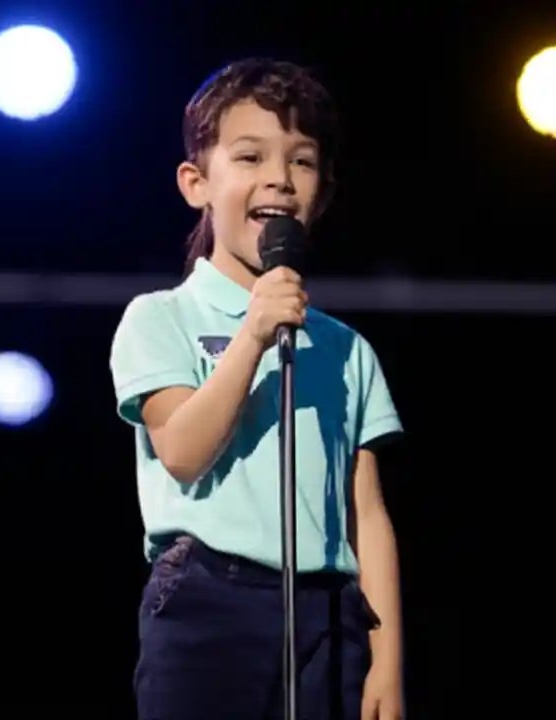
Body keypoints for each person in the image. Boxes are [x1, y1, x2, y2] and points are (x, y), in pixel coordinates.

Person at [108, 58, 404, 720]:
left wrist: (387, 663)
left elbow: (368, 514)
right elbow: (183, 451)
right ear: (197, 183)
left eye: (301, 161)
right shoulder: (160, 318)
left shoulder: (345, 348)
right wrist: (252, 338)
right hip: (209, 597)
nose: (278, 176)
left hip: (330, 610)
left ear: (321, 192)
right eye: (249, 156)